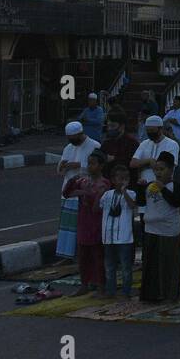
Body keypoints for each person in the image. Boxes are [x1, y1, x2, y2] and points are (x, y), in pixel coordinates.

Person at [63, 150, 109, 296]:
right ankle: (84, 284)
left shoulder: (104, 184)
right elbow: (67, 193)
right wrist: (73, 180)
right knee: (83, 255)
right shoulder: (82, 181)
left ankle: (101, 285)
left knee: (97, 256)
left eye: (93, 164)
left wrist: (85, 193)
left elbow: (96, 207)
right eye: (88, 163)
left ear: (101, 166)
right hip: (84, 222)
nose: (89, 167)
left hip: (97, 223)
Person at [140, 152, 180, 303]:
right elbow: (142, 202)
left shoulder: (175, 186)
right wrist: (141, 187)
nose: (158, 173)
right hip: (151, 229)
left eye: (162, 169)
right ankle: (151, 294)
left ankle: (169, 295)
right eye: (156, 169)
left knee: (168, 265)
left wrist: (163, 188)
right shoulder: (150, 186)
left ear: (171, 170)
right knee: (151, 264)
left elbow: (176, 202)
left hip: (168, 231)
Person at [56, 121, 99, 259]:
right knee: (67, 229)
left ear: (80, 134)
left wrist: (79, 165)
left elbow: (98, 167)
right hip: (69, 193)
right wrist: (62, 167)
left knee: (81, 228)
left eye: (74, 139)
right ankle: (66, 256)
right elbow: (60, 171)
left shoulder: (94, 146)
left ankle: (80, 256)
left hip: (85, 193)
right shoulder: (68, 148)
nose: (72, 142)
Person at [100, 164, 138, 298]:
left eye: (125, 178)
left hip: (124, 237)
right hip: (108, 236)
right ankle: (110, 291)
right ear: (113, 180)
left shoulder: (131, 193)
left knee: (125, 267)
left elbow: (132, 205)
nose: (122, 181)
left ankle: (126, 292)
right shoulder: (106, 194)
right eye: (120, 178)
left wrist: (124, 191)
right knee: (109, 267)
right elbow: (98, 207)